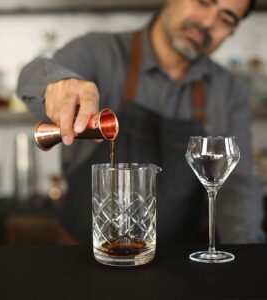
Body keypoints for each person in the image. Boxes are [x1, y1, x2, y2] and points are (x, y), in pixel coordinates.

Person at [17, 0, 265, 245]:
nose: (208, 22)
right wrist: (58, 85)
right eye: (203, 1)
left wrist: (247, 257)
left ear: (232, 32)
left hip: (176, 268)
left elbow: (237, 186)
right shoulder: (98, 51)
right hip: (79, 259)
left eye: (226, 19)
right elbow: (33, 74)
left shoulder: (228, 91)